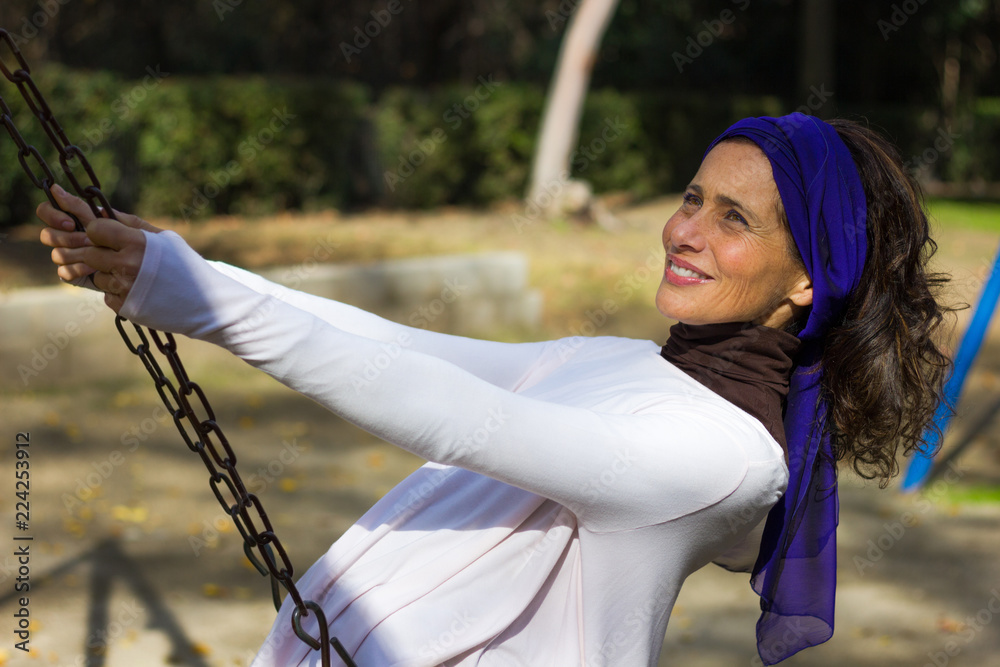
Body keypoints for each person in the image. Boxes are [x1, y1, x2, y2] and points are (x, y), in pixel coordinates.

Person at [37, 113, 950, 666]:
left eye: (735, 218)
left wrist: (190, 294)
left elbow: (455, 417)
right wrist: (179, 267)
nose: (685, 231)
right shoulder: (627, 363)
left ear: (807, 280)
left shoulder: (724, 457)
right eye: (691, 196)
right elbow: (397, 344)